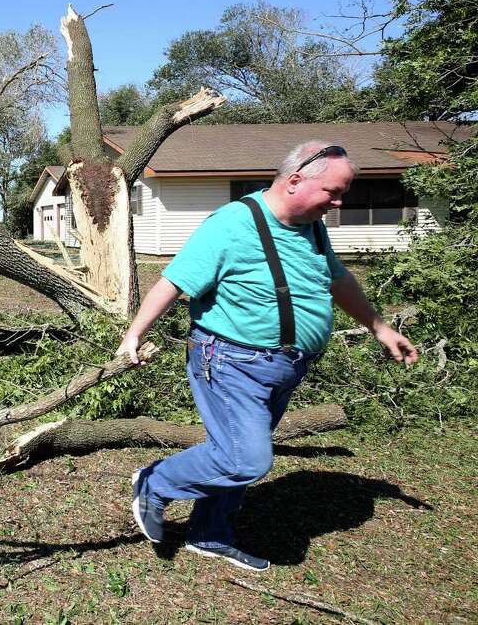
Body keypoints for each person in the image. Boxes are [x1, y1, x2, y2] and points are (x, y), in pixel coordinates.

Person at [116, 140, 418, 572]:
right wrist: (134, 335)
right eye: (332, 192)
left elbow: (338, 278)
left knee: (233, 450)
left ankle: (211, 532)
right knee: (245, 458)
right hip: (229, 360)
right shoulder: (233, 224)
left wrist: (379, 326)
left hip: (284, 366)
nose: (338, 202)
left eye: (342, 193)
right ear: (295, 181)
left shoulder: (310, 225)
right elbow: (173, 280)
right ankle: (154, 482)